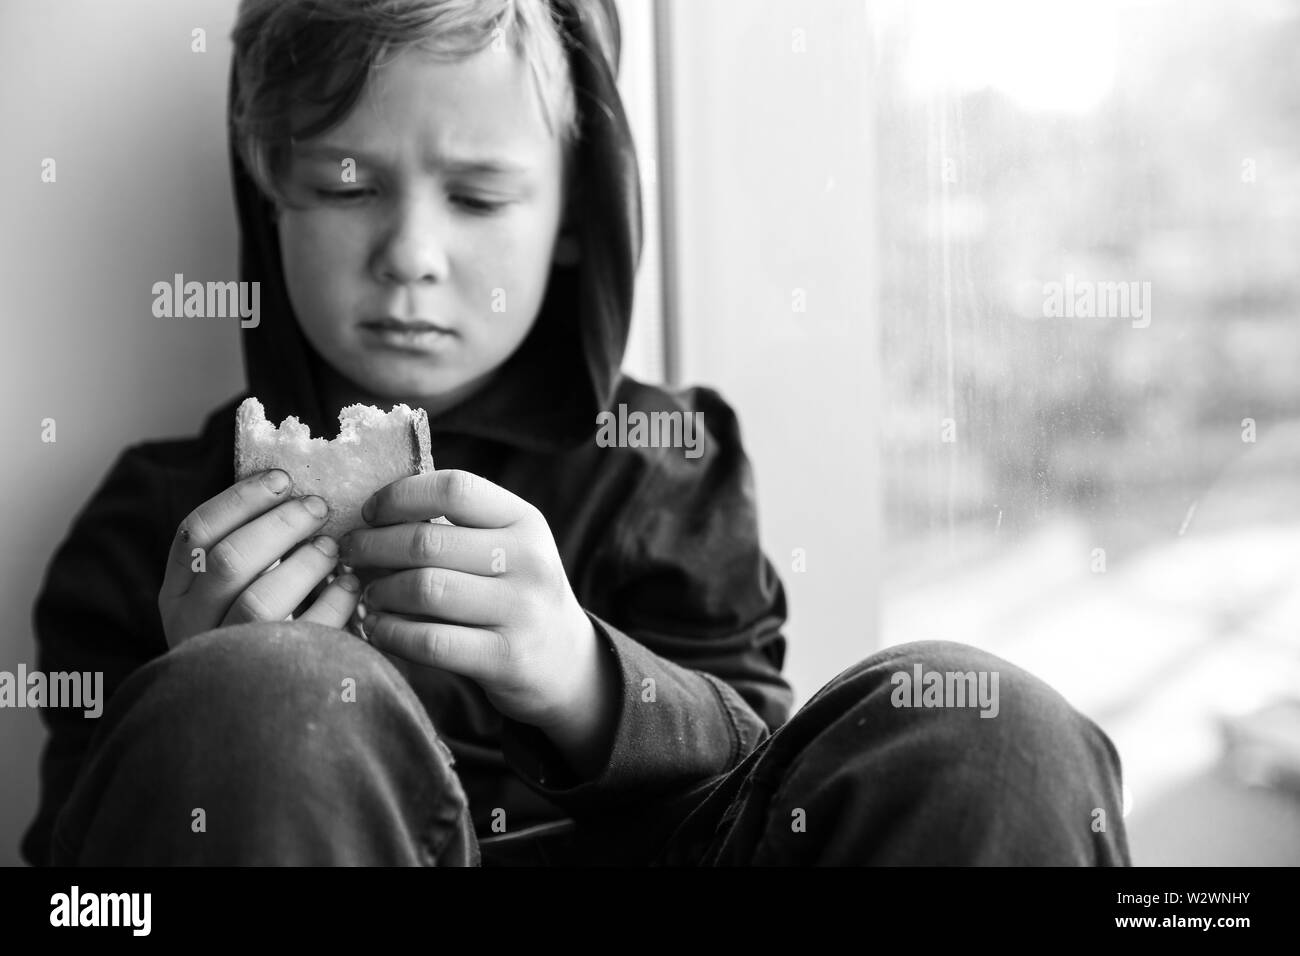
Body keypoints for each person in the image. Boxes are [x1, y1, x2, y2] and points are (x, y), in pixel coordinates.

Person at [22, 0, 1130, 867]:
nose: (411, 250)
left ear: (572, 217)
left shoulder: (665, 462)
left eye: (479, 198)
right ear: (271, 190)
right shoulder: (155, 525)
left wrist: (585, 677)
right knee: (253, 696)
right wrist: (197, 703)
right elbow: (83, 898)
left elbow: (767, 777)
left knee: (985, 724)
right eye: (347, 184)